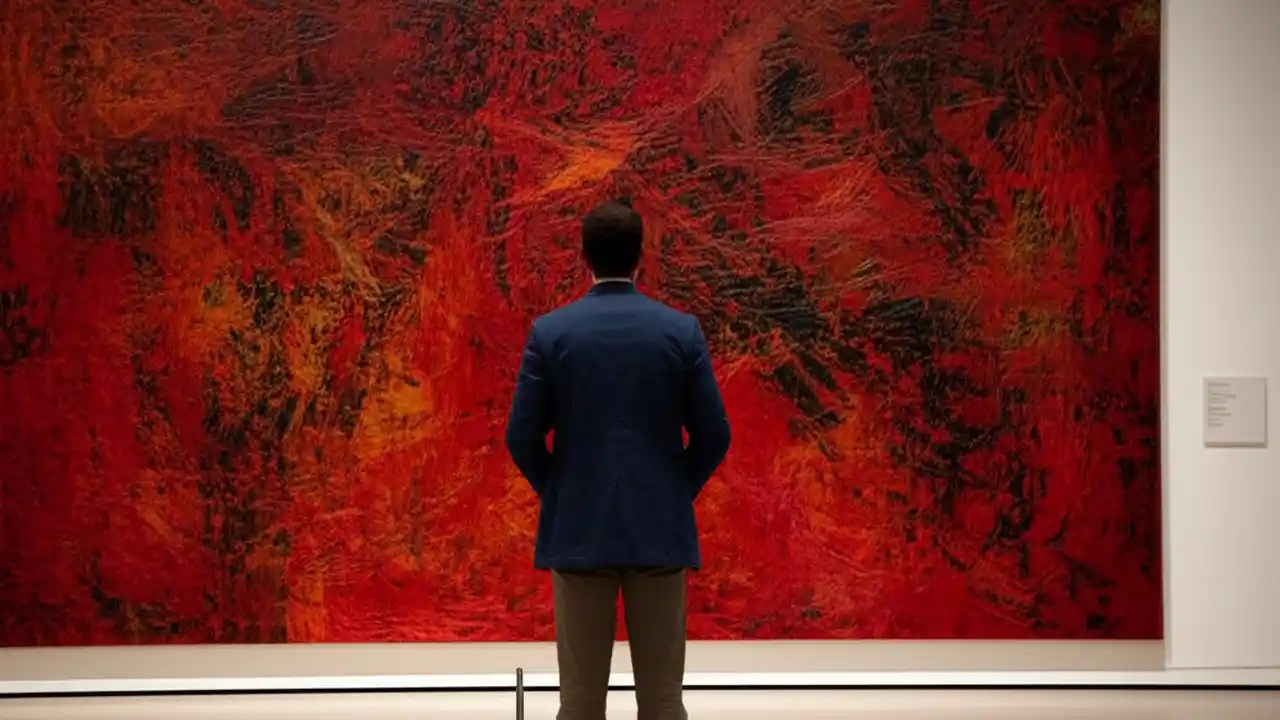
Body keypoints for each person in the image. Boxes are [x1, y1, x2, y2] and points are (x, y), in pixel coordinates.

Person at [505, 198, 732, 720]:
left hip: (580, 535)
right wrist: (674, 489)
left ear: (583, 256)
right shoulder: (680, 332)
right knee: (662, 703)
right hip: (659, 533)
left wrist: (563, 491)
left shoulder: (551, 333)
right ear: (640, 256)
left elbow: (521, 437)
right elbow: (714, 434)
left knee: (580, 705)